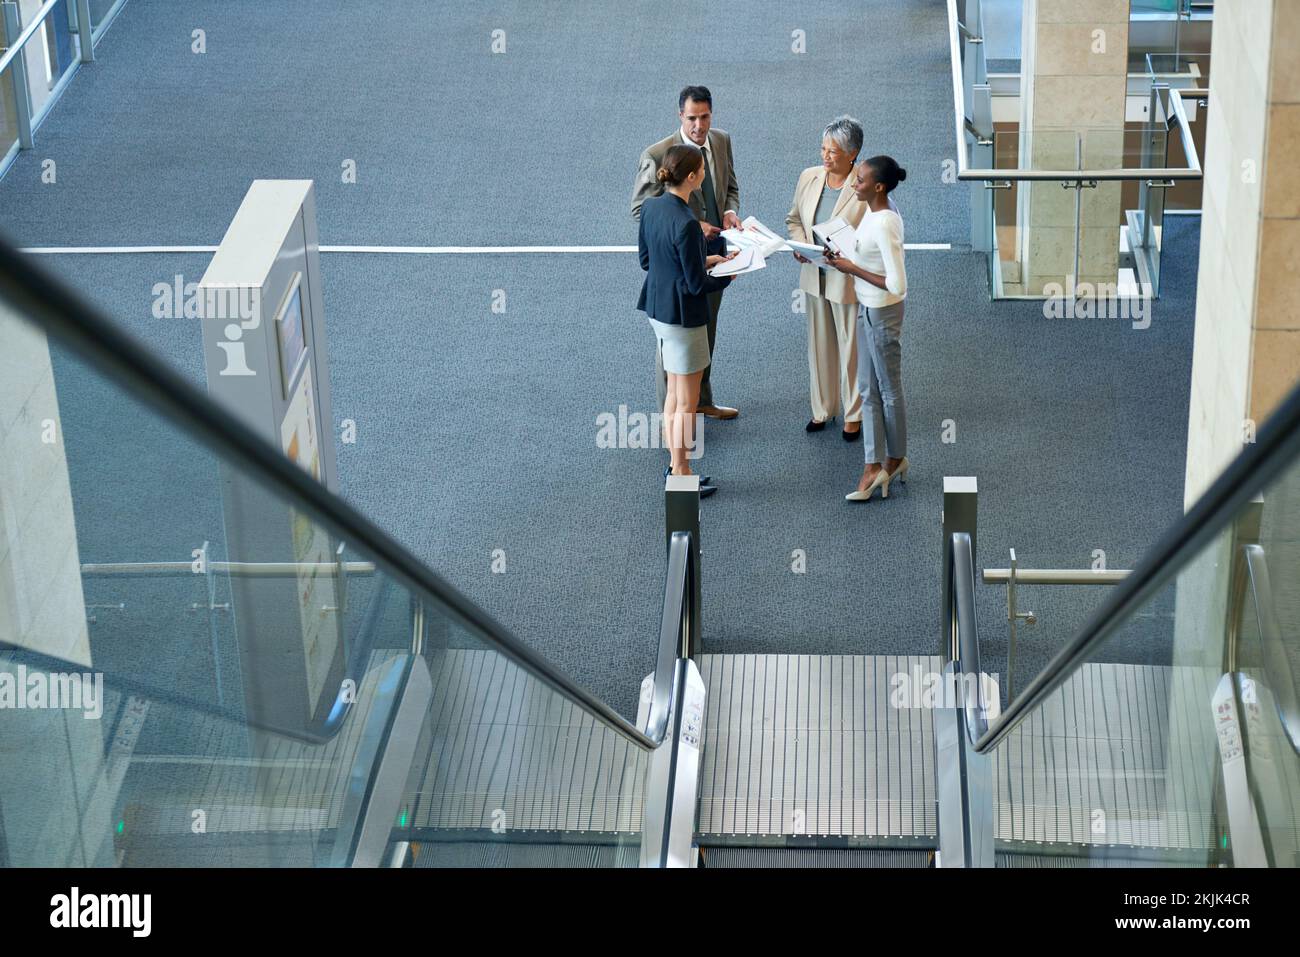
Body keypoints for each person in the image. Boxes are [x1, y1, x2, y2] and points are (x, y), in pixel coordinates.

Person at [631, 85, 741, 421]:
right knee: (675, 349)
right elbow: (641, 209)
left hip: (713, 253)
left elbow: (731, 187)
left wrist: (729, 212)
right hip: (683, 262)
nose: (698, 125)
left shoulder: (721, 141)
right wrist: (694, 225)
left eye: (704, 117)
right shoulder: (657, 154)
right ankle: (675, 420)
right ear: (680, 115)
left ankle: (701, 401)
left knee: (706, 328)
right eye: (691, 118)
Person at [637, 145, 738, 497]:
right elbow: (697, 285)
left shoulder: (652, 208)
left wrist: (704, 259)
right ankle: (681, 475)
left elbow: (649, 261)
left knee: (674, 396)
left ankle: (677, 466)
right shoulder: (688, 225)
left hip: (659, 311)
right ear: (693, 177)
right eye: (702, 170)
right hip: (685, 321)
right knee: (685, 401)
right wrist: (727, 273)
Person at [824, 156, 909, 502]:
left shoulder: (885, 223)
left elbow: (897, 284)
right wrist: (841, 258)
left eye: (859, 180)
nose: (854, 184)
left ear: (878, 187)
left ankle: (895, 458)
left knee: (888, 390)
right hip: (866, 307)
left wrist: (851, 268)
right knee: (866, 388)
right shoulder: (874, 215)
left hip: (883, 312)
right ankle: (872, 463)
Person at [786, 116, 870, 441]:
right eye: (823, 149)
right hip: (814, 273)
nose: (826, 156)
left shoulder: (864, 185)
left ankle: (854, 415)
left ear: (853, 153)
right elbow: (794, 218)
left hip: (845, 277)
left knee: (850, 347)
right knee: (819, 344)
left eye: (833, 151)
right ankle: (822, 409)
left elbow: (874, 234)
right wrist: (800, 244)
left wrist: (852, 254)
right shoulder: (809, 177)